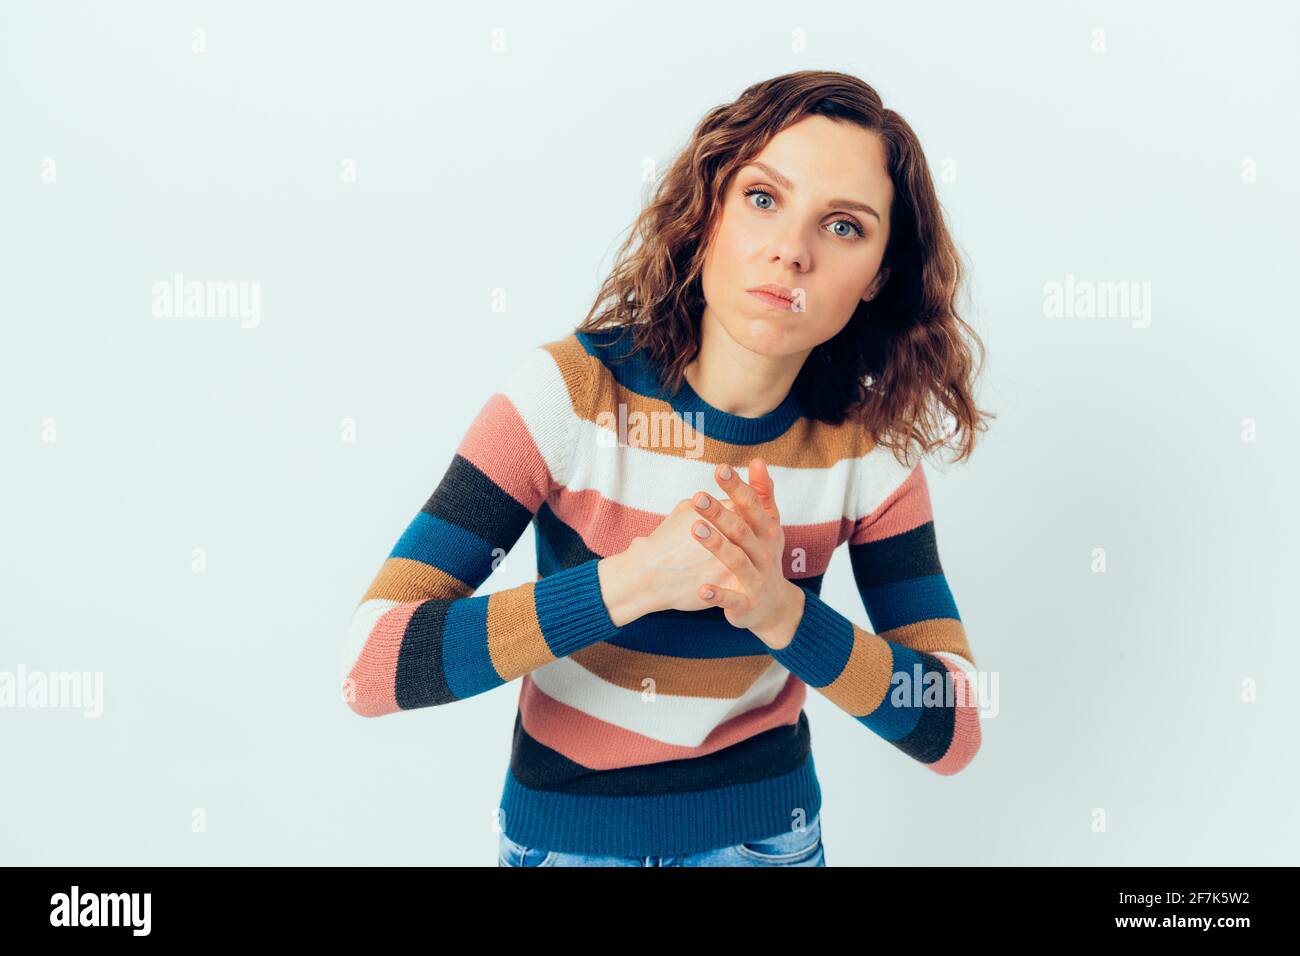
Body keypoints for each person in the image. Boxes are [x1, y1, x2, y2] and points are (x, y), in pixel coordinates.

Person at [340, 69, 994, 867]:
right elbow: (372, 667)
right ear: (709, 210)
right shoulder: (571, 396)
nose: (792, 250)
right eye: (763, 198)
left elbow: (953, 724)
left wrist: (782, 613)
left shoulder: (866, 450)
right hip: (566, 845)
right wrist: (635, 581)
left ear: (879, 277)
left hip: (768, 844)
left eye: (845, 227)